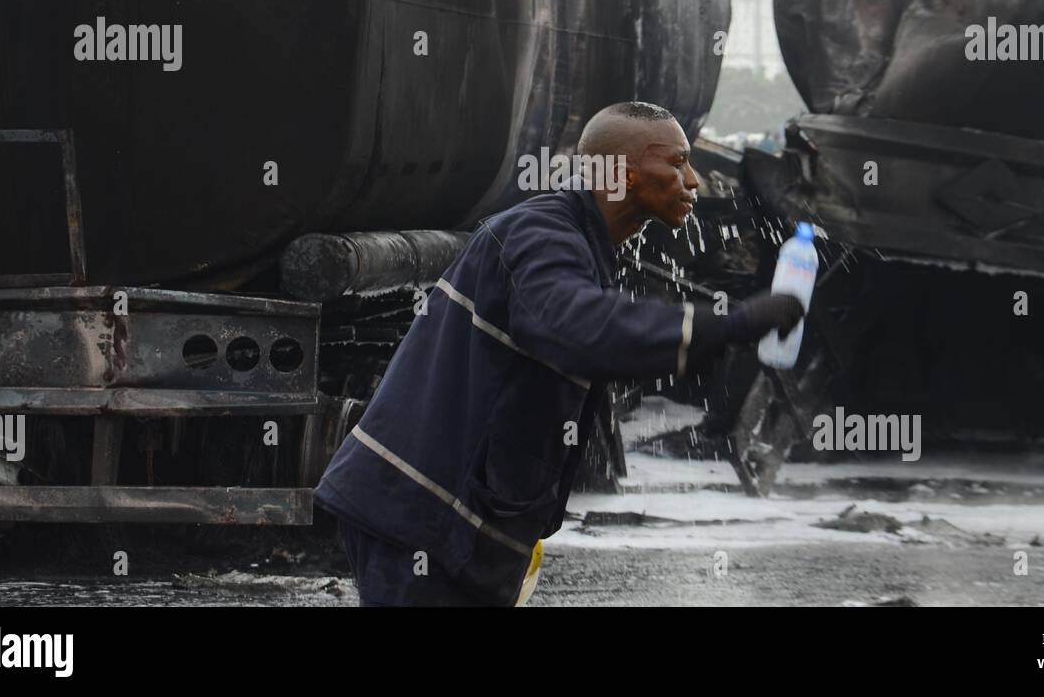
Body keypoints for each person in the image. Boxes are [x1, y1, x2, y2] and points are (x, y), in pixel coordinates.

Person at [314, 101, 804, 606]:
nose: (694, 180)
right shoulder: (541, 233)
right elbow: (577, 323)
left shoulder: (582, 245)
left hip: (449, 524)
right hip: (421, 520)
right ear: (624, 174)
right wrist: (725, 325)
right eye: (677, 162)